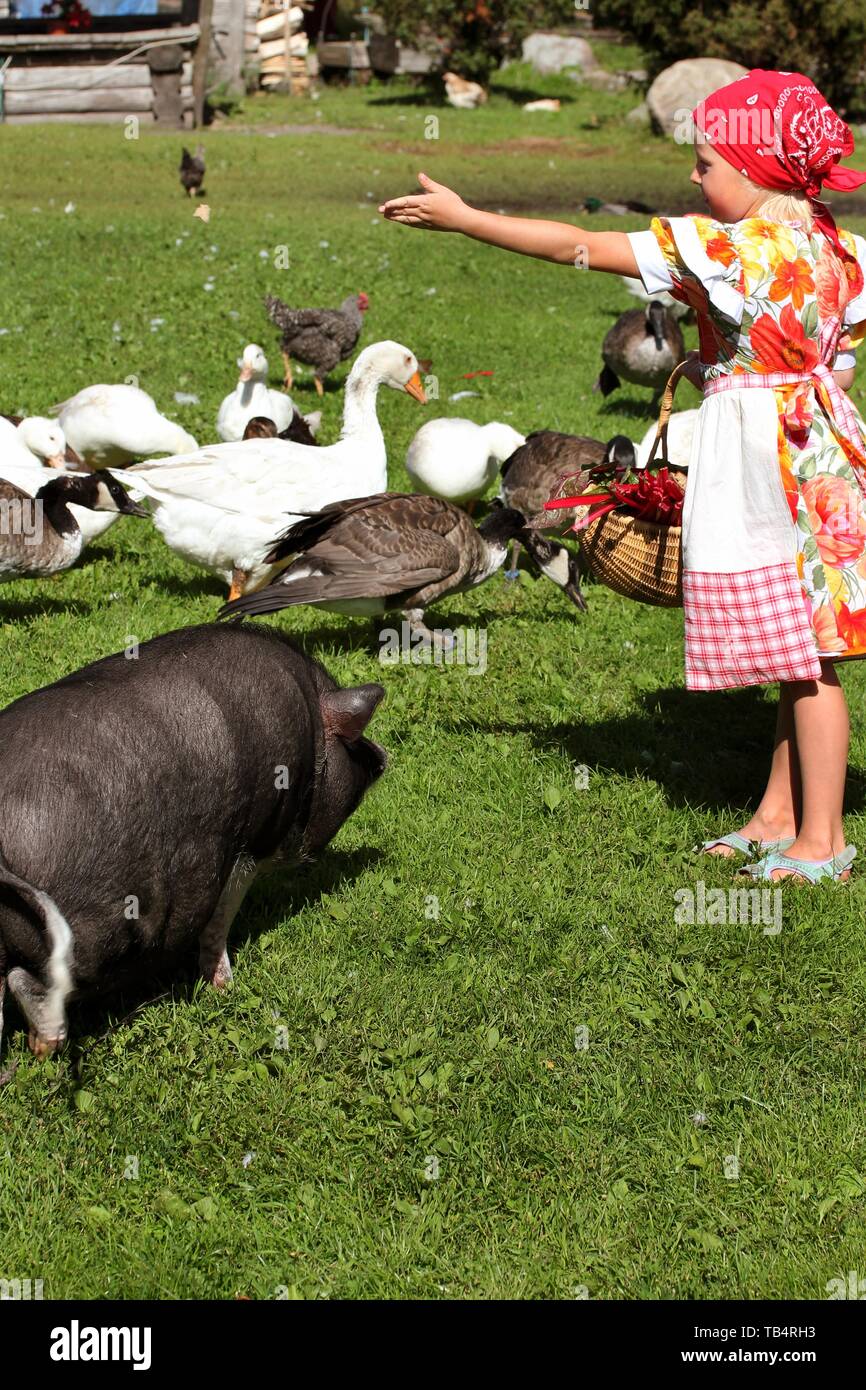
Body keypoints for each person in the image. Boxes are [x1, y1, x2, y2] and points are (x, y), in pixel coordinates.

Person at [379, 70, 866, 883]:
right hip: (822, 461)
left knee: (811, 661)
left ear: (754, 167)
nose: (694, 175)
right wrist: (804, 384)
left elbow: (581, 246)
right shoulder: (839, 249)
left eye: (706, 161)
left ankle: (825, 841)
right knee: (794, 651)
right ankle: (779, 815)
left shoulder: (724, 247)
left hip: (770, 471)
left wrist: (468, 221)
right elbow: (838, 359)